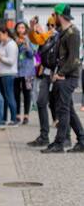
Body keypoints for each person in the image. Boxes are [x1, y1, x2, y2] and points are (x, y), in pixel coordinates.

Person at [44, 3, 84, 153]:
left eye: (54, 15)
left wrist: (60, 74)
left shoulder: (73, 33)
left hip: (68, 77)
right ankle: (81, 139)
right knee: (69, 110)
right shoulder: (63, 31)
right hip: (63, 76)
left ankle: (59, 143)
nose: (53, 18)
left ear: (60, 15)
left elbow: (73, 60)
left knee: (63, 110)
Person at [29, 13, 59, 147]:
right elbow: (34, 39)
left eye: (53, 25)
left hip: (59, 74)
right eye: (49, 25)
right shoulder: (44, 37)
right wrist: (31, 28)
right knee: (41, 102)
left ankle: (68, 137)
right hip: (46, 74)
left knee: (64, 106)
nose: (50, 27)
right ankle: (44, 136)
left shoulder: (59, 37)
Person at [0, 25, 18, 129]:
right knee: (4, 98)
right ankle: (4, 118)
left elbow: (11, 61)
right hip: (1, 74)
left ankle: (14, 119)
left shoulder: (11, 45)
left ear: (6, 33)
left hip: (8, 74)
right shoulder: (3, 44)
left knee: (9, 96)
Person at [15, 21, 36, 124]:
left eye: (22, 28)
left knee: (27, 93)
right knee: (16, 94)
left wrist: (26, 44)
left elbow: (32, 54)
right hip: (16, 71)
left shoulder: (30, 39)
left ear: (26, 29)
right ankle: (18, 115)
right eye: (19, 28)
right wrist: (17, 45)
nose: (20, 30)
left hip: (28, 72)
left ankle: (26, 115)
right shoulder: (14, 40)